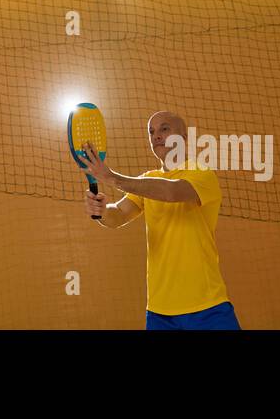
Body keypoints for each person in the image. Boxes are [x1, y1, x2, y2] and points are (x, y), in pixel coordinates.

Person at [79, 110, 241, 329]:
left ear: (183, 139)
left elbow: (171, 192)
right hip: (159, 313)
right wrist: (101, 210)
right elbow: (118, 215)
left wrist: (112, 178)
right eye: (151, 132)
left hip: (207, 307)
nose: (156, 136)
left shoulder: (202, 174)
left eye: (164, 129)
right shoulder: (147, 180)